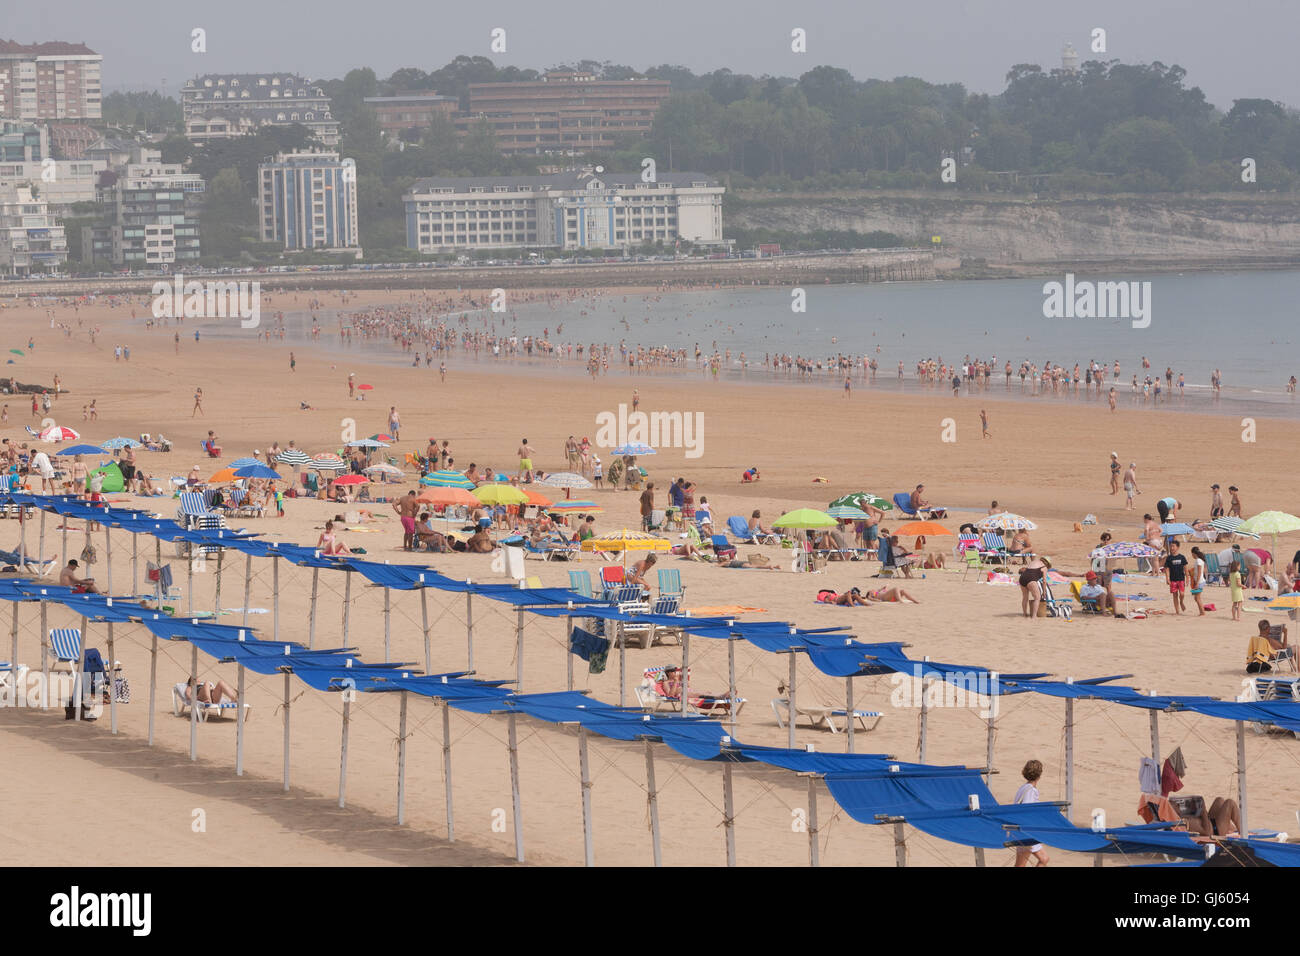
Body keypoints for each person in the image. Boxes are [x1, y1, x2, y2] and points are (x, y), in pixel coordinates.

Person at [1013, 760, 1050, 867]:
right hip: (1026, 832)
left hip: (1026, 831)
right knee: (1020, 865)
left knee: (1044, 859)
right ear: (1039, 775)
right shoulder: (1030, 790)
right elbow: (1027, 810)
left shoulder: (1025, 787)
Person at [1161, 539, 1190, 614]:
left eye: (1173, 546)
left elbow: (1186, 568)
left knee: (1182, 594)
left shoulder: (1182, 557)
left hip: (1181, 579)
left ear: (1178, 547)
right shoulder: (1169, 558)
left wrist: (1187, 578)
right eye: (1171, 546)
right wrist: (1167, 578)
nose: (1172, 548)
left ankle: (1181, 602)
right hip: (1173, 579)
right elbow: (1167, 569)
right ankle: (1177, 611)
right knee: (1175, 595)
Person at [1189, 546, 1208, 616]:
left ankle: (1202, 612)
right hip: (1200, 580)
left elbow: (1200, 572)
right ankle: (1202, 611)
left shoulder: (1198, 561)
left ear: (1194, 554)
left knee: (1197, 598)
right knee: (1196, 598)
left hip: (1199, 581)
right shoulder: (1200, 560)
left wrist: (1197, 583)